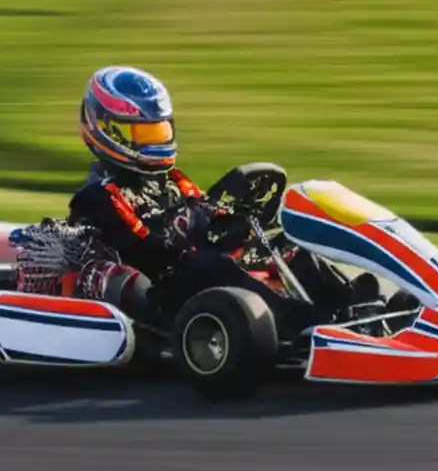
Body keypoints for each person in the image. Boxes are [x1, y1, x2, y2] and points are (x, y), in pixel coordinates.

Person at [32, 65, 378, 326]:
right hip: (160, 293)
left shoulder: (168, 182)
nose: (155, 142)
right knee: (208, 264)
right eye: (143, 133)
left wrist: (233, 219)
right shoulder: (97, 196)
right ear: (106, 130)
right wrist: (201, 221)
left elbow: (200, 211)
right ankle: (302, 322)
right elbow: (150, 247)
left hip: (197, 275)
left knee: (288, 247)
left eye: (159, 131)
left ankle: (351, 308)